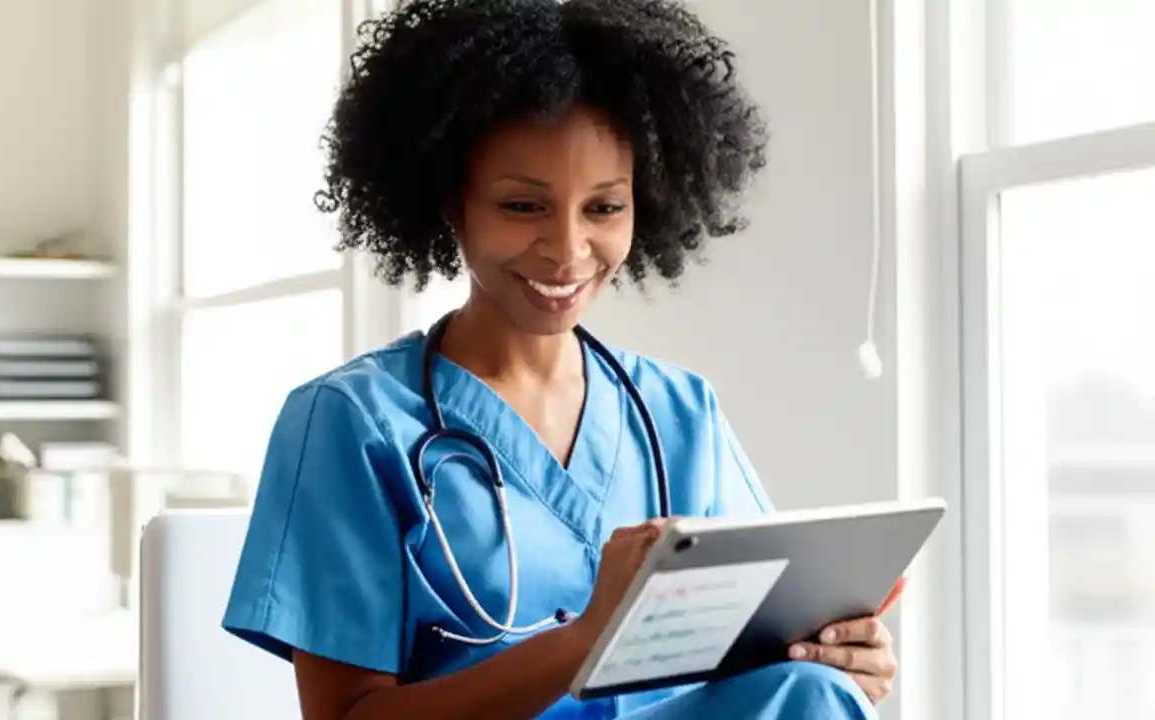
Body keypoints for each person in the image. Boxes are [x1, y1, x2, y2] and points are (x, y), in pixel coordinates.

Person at [222, 1, 897, 718]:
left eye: (603, 208)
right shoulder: (354, 422)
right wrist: (584, 641)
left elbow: (757, 653)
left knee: (813, 689)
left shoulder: (680, 412)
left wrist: (838, 654)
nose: (568, 251)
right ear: (450, 202)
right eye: (522, 207)